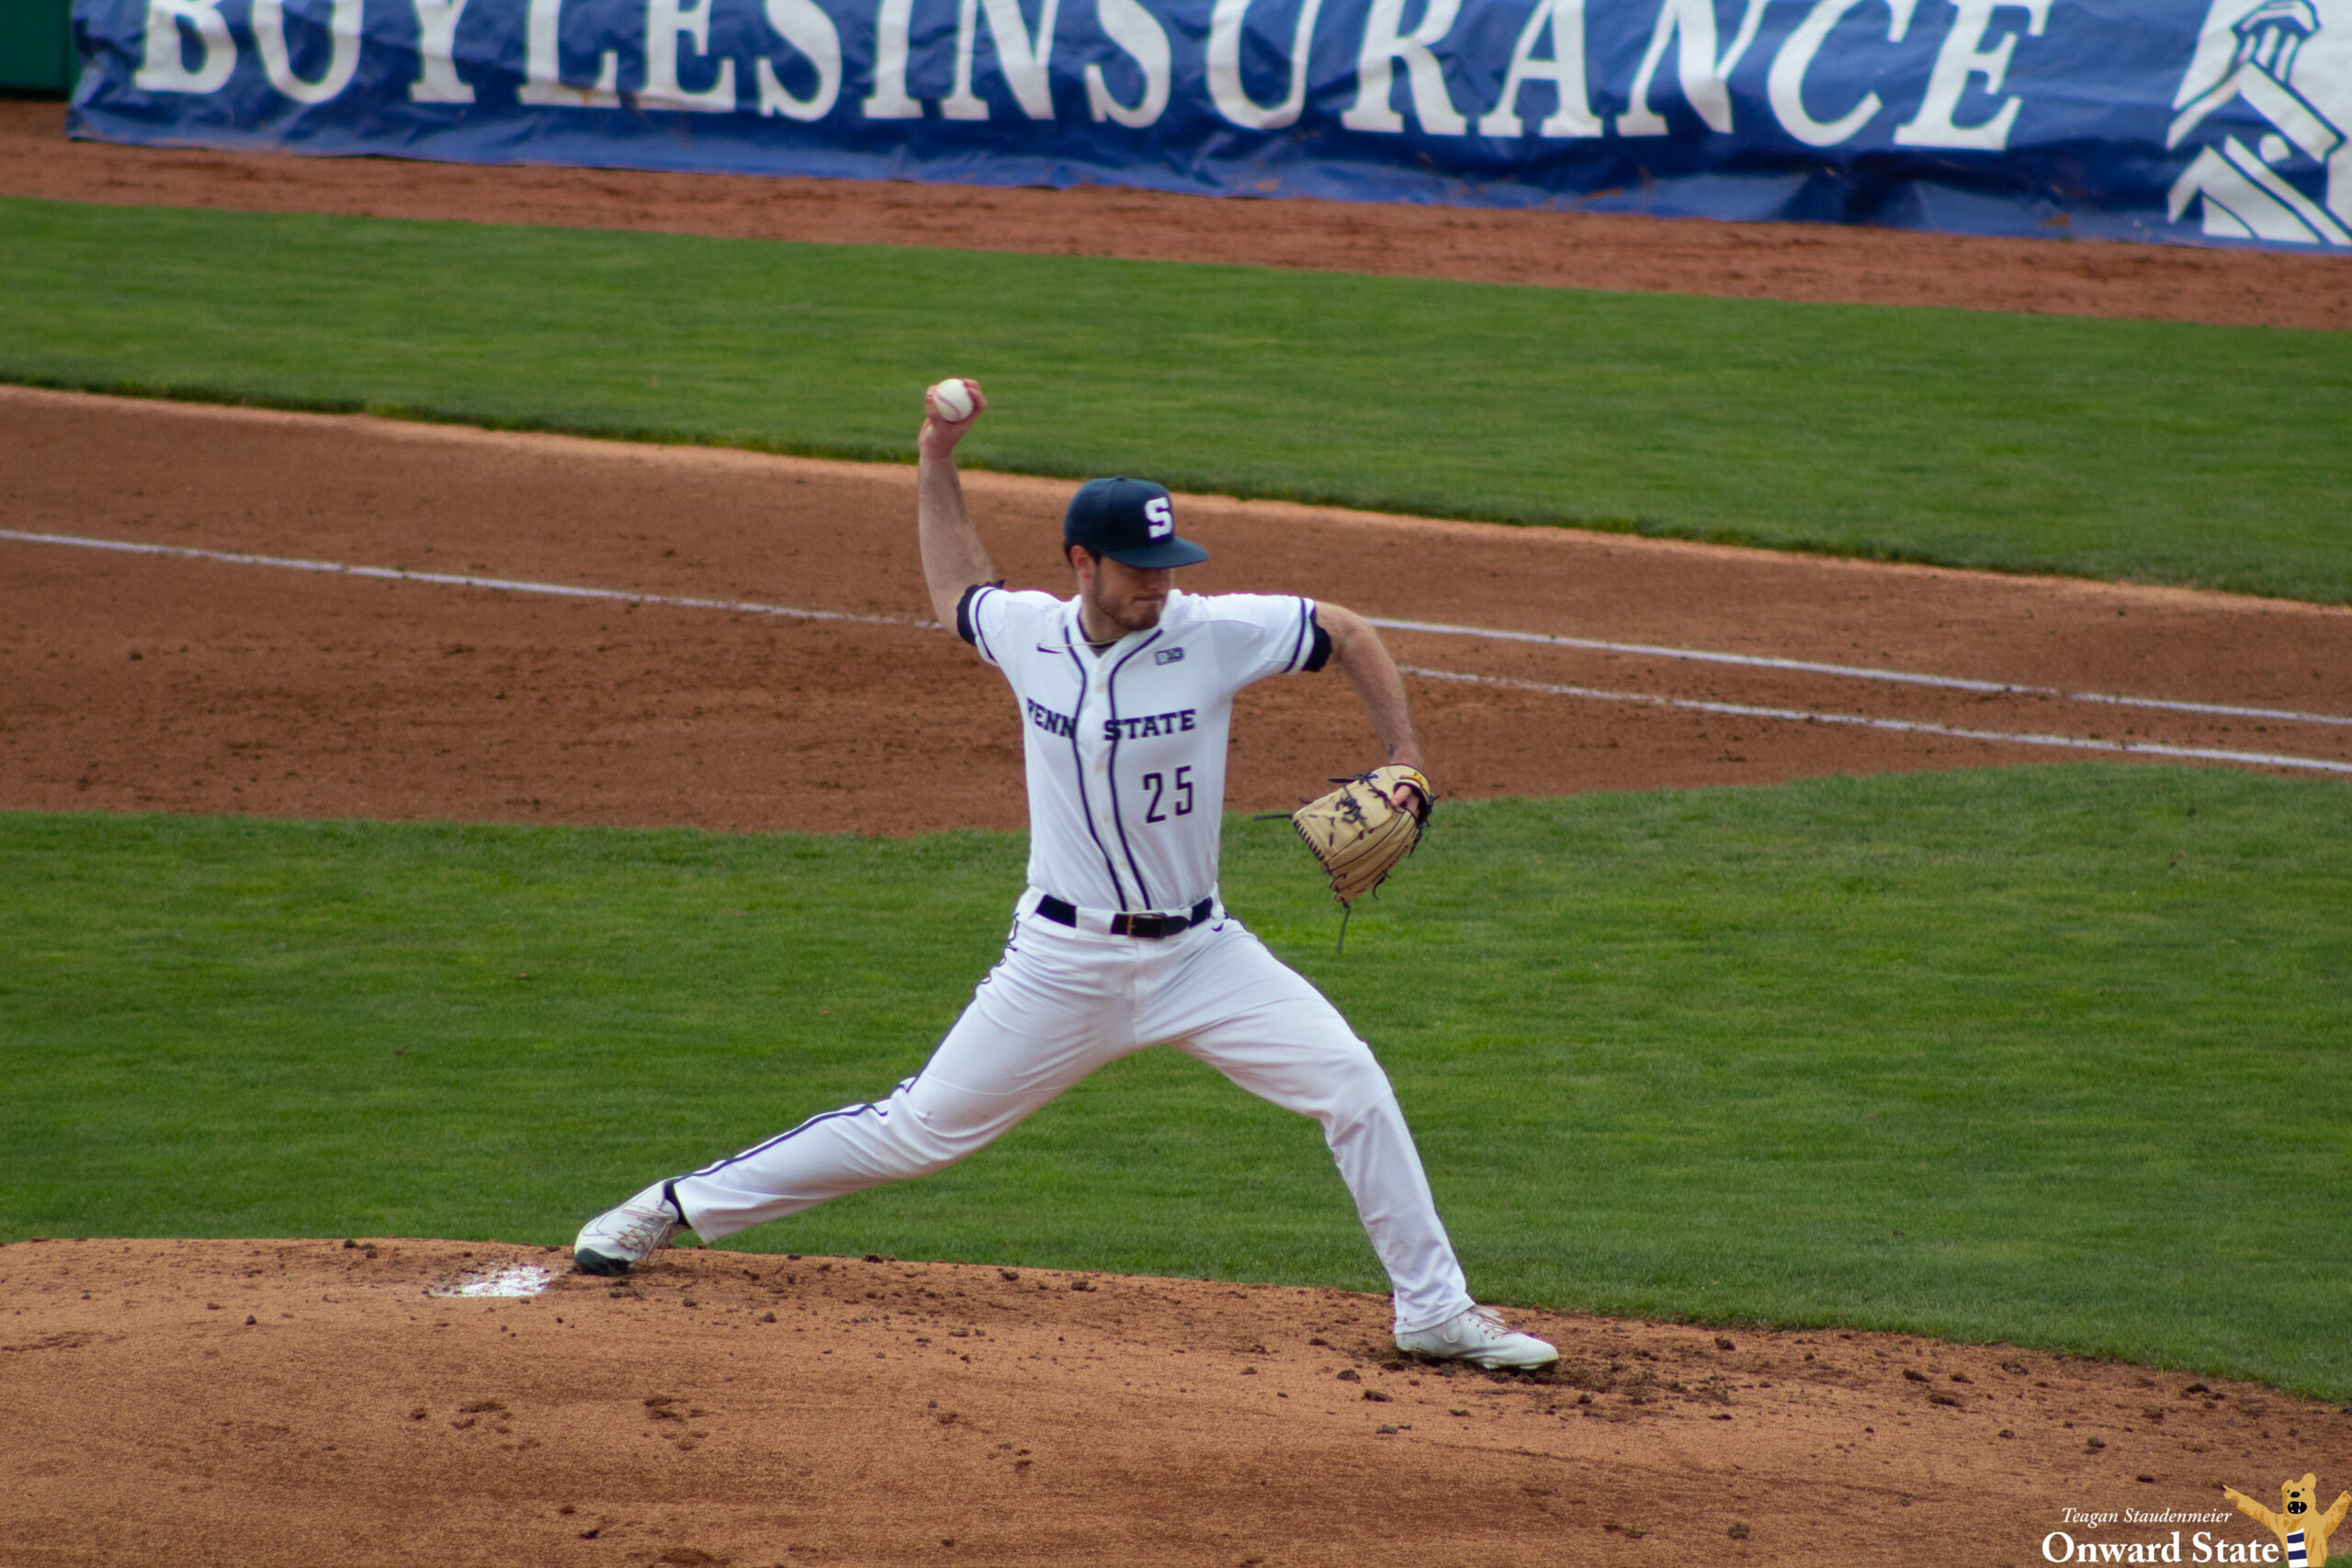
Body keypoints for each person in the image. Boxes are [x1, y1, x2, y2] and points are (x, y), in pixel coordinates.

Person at [572, 379, 1555, 1369]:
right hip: (1060, 962)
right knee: (917, 1133)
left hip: (1202, 956)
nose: (1158, 585)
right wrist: (936, 460)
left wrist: (1406, 759)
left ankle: (1431, 1309)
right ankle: (667, 1208)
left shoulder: (1210, 633)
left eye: (1168, 565)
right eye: (1137, 568)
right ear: (1081, 562)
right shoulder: (1030, 635)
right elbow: (957, 591)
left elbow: (1345, 630)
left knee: (1350, 1082)